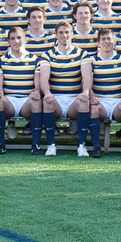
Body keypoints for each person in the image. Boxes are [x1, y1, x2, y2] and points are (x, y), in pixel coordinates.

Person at [37, 22, 92, 156]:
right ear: (55, 35)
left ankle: (81, 146)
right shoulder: (48, 54)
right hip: (57, 100)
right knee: (47, 101)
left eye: (67, 32)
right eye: (60, 33)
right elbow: (43, 78)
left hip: (74, 100)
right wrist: (47, 93)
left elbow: (87, 76)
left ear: (72, 34)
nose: (64, 35)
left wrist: (85, 92)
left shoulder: (82, 54)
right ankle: (51, 145)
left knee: (84, 101)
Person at [0, 27, 42, 155]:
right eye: (12, 38)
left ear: (25, 39)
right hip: (10, 102)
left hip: (27, 101)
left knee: (37, 101)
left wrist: (36, 92)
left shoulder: (36, 60)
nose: (16, 41)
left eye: (19, 38)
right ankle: (1, 144)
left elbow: (38, 86)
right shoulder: (1, 60)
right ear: (8, 41)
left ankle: (36, 145)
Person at [88, 29, 121, 158]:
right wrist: (92, 97)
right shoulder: (91, 61)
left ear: (114, 42)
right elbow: (86, 82)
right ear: (98, 43)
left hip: (116, 102)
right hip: (100, 101)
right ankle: (96, 147)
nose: (106, 42)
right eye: (103, 39)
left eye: (109, 39)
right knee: (93, 108)